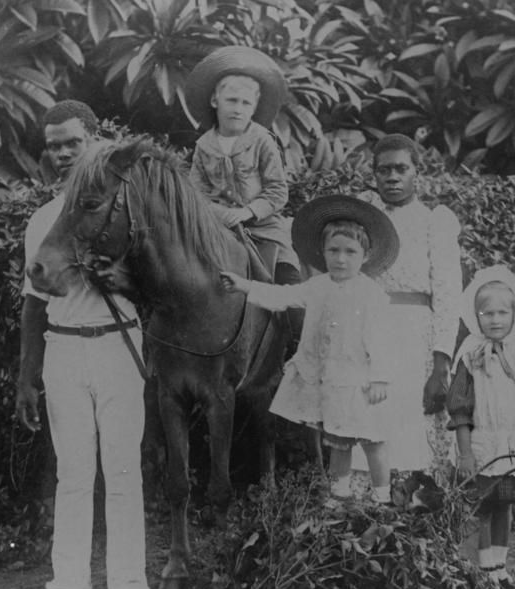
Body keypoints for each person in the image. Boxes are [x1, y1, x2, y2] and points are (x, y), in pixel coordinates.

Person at [16, 100, 150, 589]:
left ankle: (127, 582)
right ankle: (68, 579)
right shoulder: (45, 218)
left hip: (119, 343)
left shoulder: (125, 206)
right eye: (55, 145)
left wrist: (118, 278)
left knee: (122, 467)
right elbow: (33, 300)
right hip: (64, 348)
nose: (65, 152)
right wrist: (26, 379)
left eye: (74, 141)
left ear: (95, 140)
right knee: (72, 473)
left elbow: (157, 284)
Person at [220, 195, 400, 504]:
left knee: (373, 437)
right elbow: (282, 296)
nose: (341, 259)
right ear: (322, 252)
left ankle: (382, 497)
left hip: (362, 379)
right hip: (332, 378)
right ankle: (340, 493)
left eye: (350, 252)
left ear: (365, 255)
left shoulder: (370, 294)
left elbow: (383, 337)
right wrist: (244, 286)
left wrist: (381, 377)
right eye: (334, 251)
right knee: (339, 438)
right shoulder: (317, 286)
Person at [354, 134, 464, 474]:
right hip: (370, 332)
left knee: (413, 418)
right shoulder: (363, 221)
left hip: (416, 335)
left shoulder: (434, 221)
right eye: (383, 170)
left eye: (401, 169)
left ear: (417, 172)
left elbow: (448, 293)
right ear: (373, 175)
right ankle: (370, 508)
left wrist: (441, 364)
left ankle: (417, 504)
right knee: (370, 416)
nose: (392, 177)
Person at [446, 266, 515, 589]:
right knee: (480, 505)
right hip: (482, 441)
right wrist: (466, 452)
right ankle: (483, 571)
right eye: (487, 313)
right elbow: (459, 407)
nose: (495, 320)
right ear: (475, 315)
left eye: (503, 312)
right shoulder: (470, 353)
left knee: (505, 503)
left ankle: (500, 570)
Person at [185, 46, 302, 290]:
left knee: (289, 284)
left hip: (264, 229)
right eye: (231, 100)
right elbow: (196, 194)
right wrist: (220, 214)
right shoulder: (203, 146)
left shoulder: (262, 140)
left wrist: (247, 212)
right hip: (218, 227)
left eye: (246, 103)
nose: (238, 109)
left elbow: (277, 191)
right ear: (215, 100)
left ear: (254, 107)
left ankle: (294, 323)